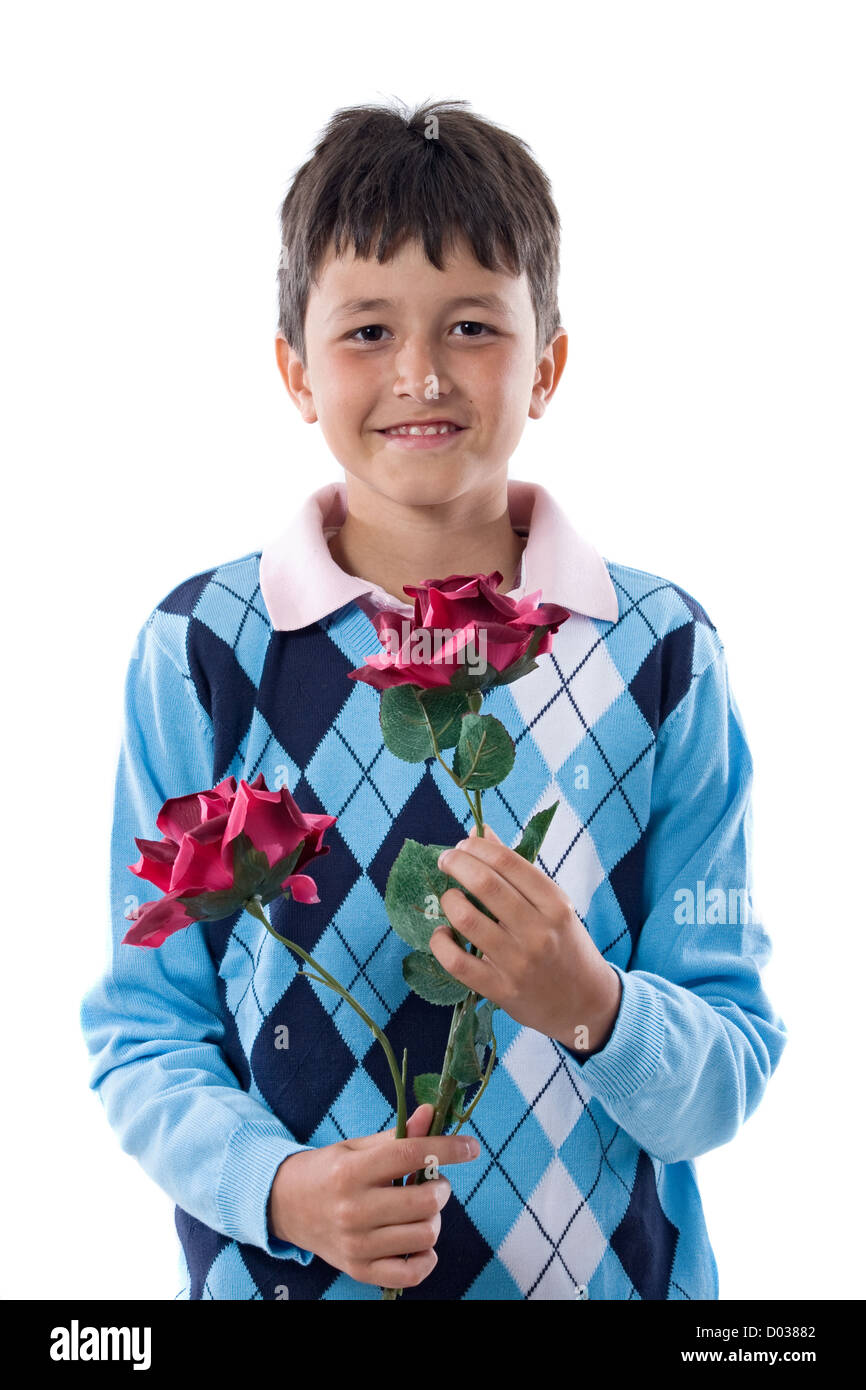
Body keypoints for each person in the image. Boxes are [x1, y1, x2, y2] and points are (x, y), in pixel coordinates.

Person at [80, 96, 787, 1300]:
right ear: (294, 372)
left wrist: (593, 1007)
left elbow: (727, 1062)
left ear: (547, 364)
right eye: (365, 331)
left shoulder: (659, 651)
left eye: (470, 325)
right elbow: (144, 1036)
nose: (418, 372)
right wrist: (283, 1191)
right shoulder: (200, 649)